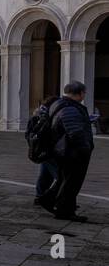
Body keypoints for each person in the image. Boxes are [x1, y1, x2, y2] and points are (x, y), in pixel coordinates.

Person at [47, 81, 96, 222]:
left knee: (66, 180)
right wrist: (85, 147)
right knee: (71, 183)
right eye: (83, 93)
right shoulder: (70, 107)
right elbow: (74, 131)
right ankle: (64, 211)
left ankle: (58, 204)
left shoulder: (60, 104)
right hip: (72, 152)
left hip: (64, 150)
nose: (84, 96)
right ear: (79, 93)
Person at [32, 95, 61, 208]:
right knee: (61, 176)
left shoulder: (41, 113)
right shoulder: (47, 116)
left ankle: (39, 196)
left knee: (45, 174)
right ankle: (53, 198)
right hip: (48, 149)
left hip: (43, 149)